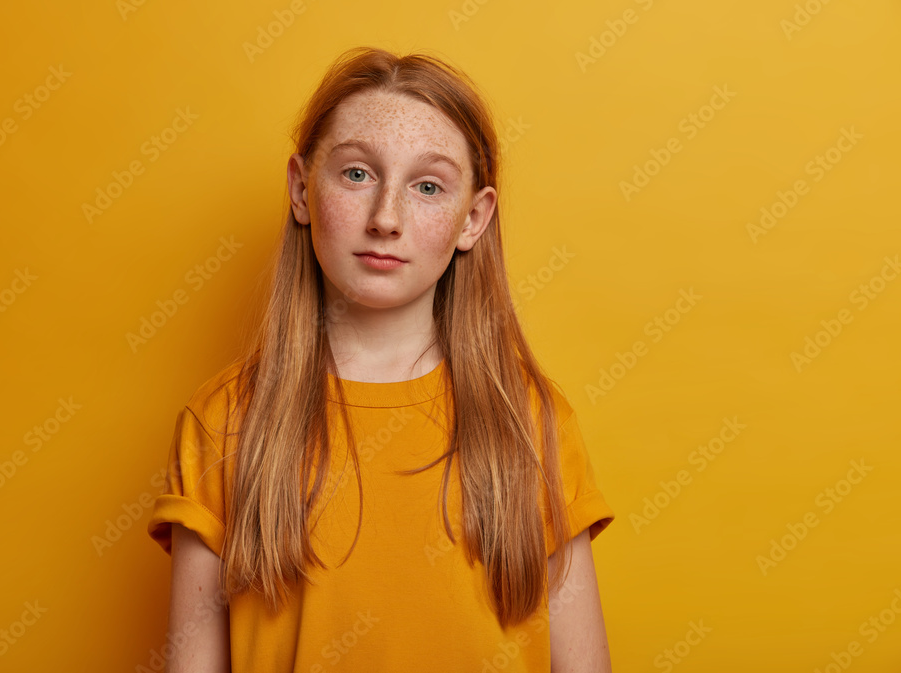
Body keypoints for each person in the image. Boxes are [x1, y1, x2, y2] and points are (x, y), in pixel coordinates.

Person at [147, 45, 615, 673]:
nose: (386, 217)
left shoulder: (531, 421)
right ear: (301, 190)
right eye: (357, 174)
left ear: (473, 219)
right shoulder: (222, 423)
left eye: (428, 186)